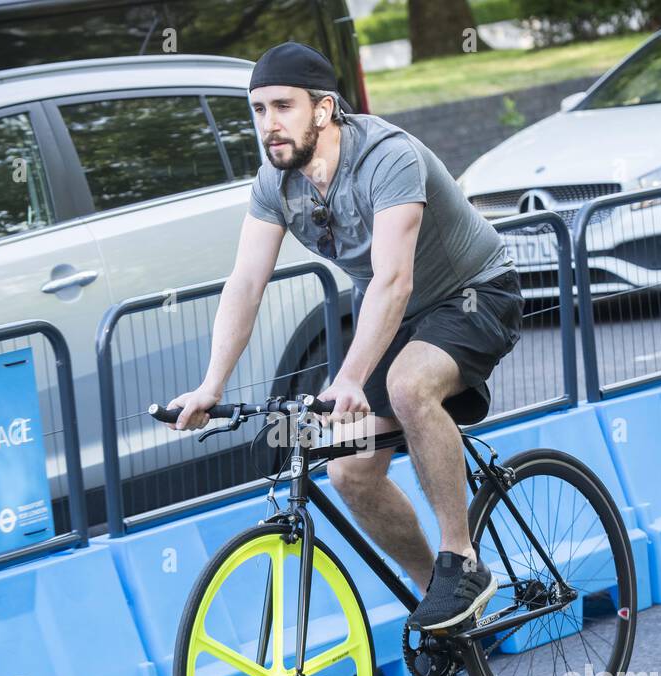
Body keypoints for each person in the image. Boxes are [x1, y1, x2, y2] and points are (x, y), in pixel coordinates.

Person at [165, 42, 524, 632]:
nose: (268, 125)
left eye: (282, 106)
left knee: (409, 388)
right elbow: (246, 283)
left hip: (475, 293)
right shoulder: (275, 183)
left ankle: (462, 561)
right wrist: (211, 384)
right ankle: (438, 597)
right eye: (257, 110)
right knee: (349, 470)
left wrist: (353, 376)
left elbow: (393, 280)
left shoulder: (388, 158)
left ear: (325, 109)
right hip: (396, 315)